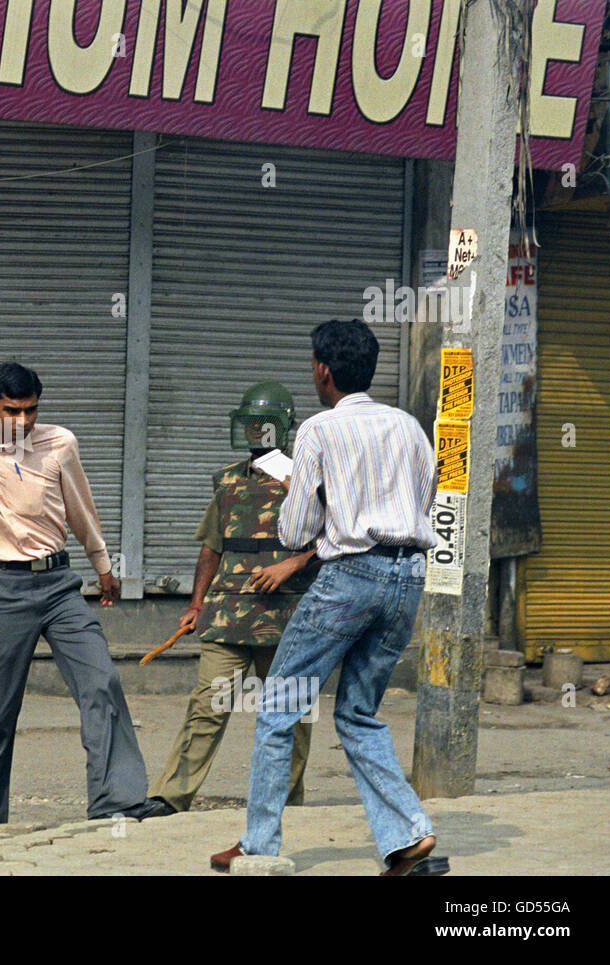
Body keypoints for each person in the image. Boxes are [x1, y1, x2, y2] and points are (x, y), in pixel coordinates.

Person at [209, 319, 447, 876]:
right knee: (359, 713)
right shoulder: (411, 426)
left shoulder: (318, 430)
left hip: (350, 578)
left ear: (322, 370)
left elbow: (294, 534)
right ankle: (409, 836)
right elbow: (422, 499)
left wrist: (303, 494)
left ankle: (259, 845)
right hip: (408, 577)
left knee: (277, 709)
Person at [0, 362, 170, 830]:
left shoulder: (59, 444)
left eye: (31, 410)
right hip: (4, 591)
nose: (24, 421)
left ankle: (118, 799)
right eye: (12, 411)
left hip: (60, 587)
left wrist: (103, 567)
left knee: (101, 681)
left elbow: (81, 510)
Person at [148, 381, 317, 814]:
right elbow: (211, 547)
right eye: (249, 424)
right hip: (226, 615)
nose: (255, 432)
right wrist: (195, 604)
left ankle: (283, 803)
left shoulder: (307, 479)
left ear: (283, 428)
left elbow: (336, 537)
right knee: (207, 706)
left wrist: (292, 564)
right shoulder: (226, 481)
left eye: (264, 424)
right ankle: (170, 797)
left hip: (288, 617)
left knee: (291, 717)